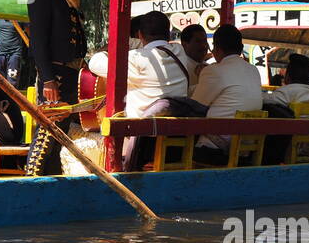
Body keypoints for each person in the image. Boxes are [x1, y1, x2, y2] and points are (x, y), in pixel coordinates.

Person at [25, 0, 87, 176]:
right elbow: (38, 41)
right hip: (56, 74)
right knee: (48, 129)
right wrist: (49, 79)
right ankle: (32, 177)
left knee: (62, 129)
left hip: (72, 73)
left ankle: (51, 176)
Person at [87, 11, 190, 118]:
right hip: (177, 128)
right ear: (168, 34)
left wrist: (114, 46)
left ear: (140, 35)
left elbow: (94, 63)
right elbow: (157, 45)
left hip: (142, 131)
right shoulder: (179, 51)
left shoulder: (136, 59)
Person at [193, 23, 265, 164]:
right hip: (245, 150)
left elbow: (196, 106)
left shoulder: (213, 70)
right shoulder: (253, 70)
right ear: (241, 48)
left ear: (217, 49)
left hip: (215, 149)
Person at [171, 24, 211, 99]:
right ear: (185, 44)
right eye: (198, 41)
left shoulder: (210, 68)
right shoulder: (179, 69)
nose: (204, 45)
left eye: (205, 40)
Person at [0, 18, 25, 88]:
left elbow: (28, 33)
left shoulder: (18, 17)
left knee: (12, 82)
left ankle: (11, 99)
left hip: (14, 54)